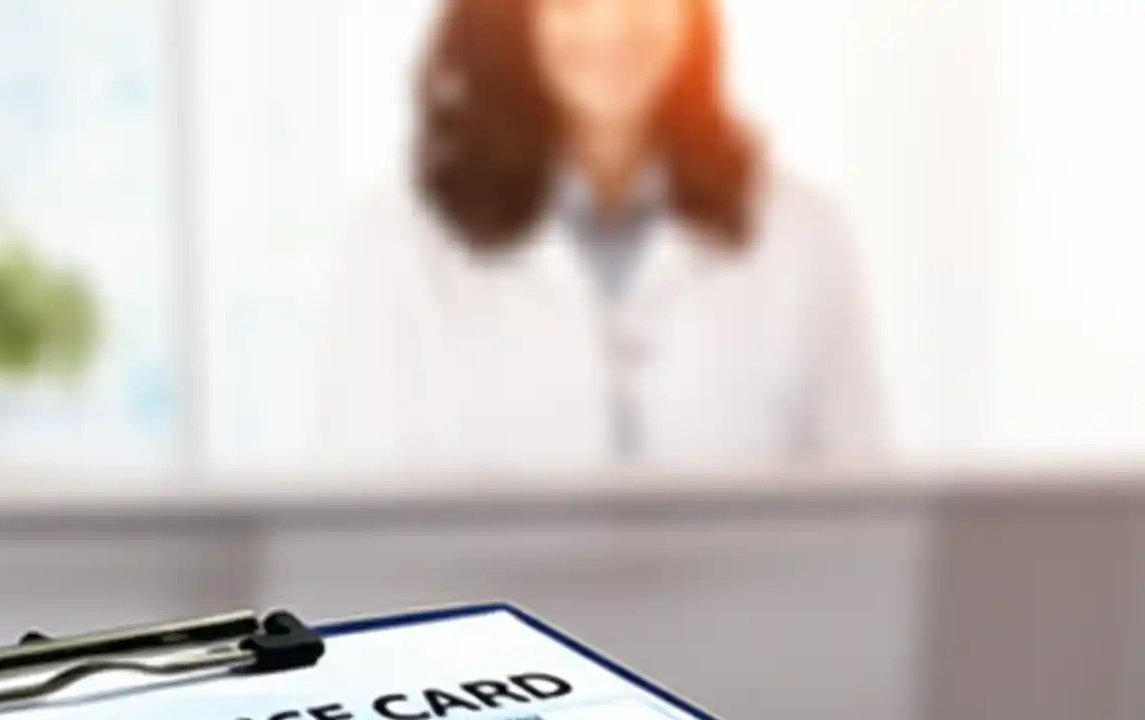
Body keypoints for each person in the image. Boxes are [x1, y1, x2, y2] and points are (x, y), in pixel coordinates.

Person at [313, 0, 883, 471]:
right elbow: (353, 542)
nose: (613, 24)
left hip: (747, 608)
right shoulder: (392, 244)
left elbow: (866, 526)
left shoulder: (803, 234)